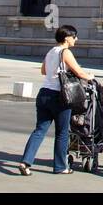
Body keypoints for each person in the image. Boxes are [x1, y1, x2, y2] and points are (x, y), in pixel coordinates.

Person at [18, 26, 93, 175]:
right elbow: (78, 71)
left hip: (44, 93)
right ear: (67, 38)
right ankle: (60, 166)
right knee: (62, 132)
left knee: (39, 130)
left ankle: (25, 162)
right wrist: (90, 76)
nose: (76, 39)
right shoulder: (65, 52)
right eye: (74, 36)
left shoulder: (51, 51)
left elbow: (43, 71)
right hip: (59, 96)